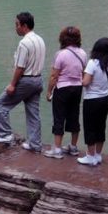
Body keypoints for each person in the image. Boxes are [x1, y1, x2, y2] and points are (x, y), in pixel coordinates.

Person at [0, 12, 46, 151]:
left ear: (24, 26)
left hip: (26, 80)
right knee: (33, 113)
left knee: (1, 104)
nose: (16, 28)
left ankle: (5, 134)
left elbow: (20, 67)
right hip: (38, 79)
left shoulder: (24, 43)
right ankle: (35, 144)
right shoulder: (40, 39)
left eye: (17, 25)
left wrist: (12, 84)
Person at [44, 26, 87, 159]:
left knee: (59, 117)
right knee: (74, 115)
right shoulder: (83, 53)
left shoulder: (61, 54)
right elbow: (84, 72)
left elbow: (54, 76)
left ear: (62, 38)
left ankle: (57, 149)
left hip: (62, 88)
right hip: (77, 88)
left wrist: (49, 91)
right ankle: (73, 147)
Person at [79, 37, 108, 166]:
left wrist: (81, 78)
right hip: (105, 99)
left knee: (90, 127)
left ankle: (90, 156)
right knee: (101, 127)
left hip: (91, 100)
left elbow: (86, 82)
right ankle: (98, 155)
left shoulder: (92, 63)